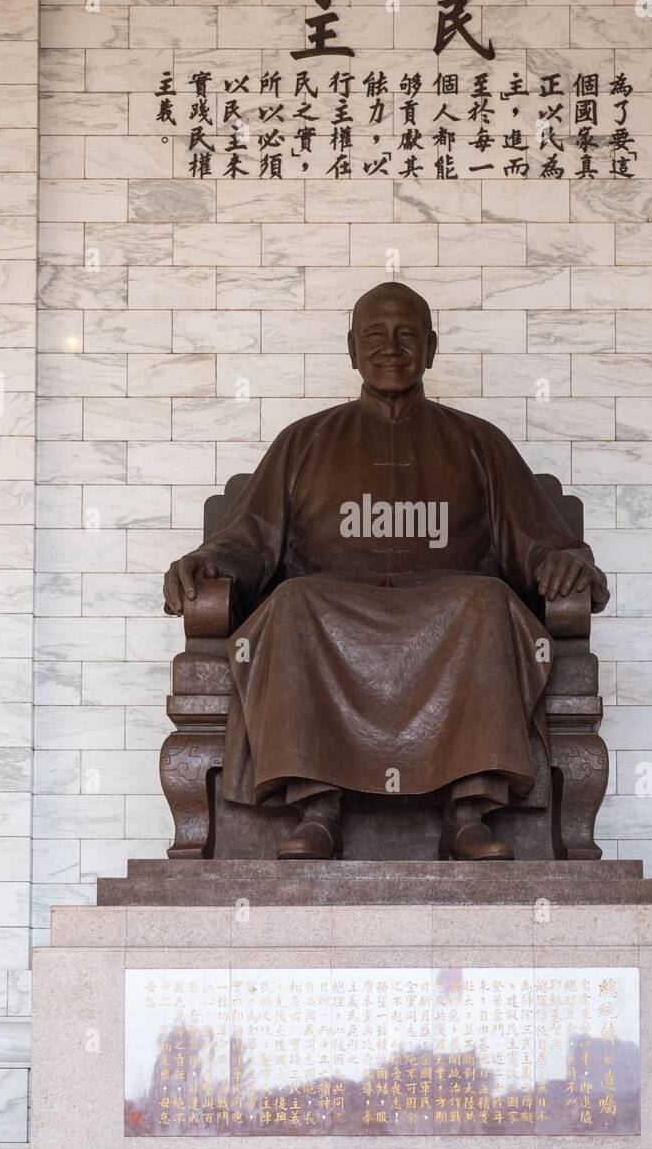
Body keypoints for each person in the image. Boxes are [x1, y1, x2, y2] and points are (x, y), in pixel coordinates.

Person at [164, 282, 608, 861]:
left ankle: (468, 810)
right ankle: (317, 807)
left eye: (407, 335)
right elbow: (250, 539)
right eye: (375, 334)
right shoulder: (305, 440)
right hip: (330, 609)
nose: (391, 347)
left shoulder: (479, 442)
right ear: (352, 349)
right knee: (292, 602)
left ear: (431, 347)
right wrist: (211, 562)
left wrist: (563, 564)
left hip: (451, 610)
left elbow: (539, 541)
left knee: (487, 600)